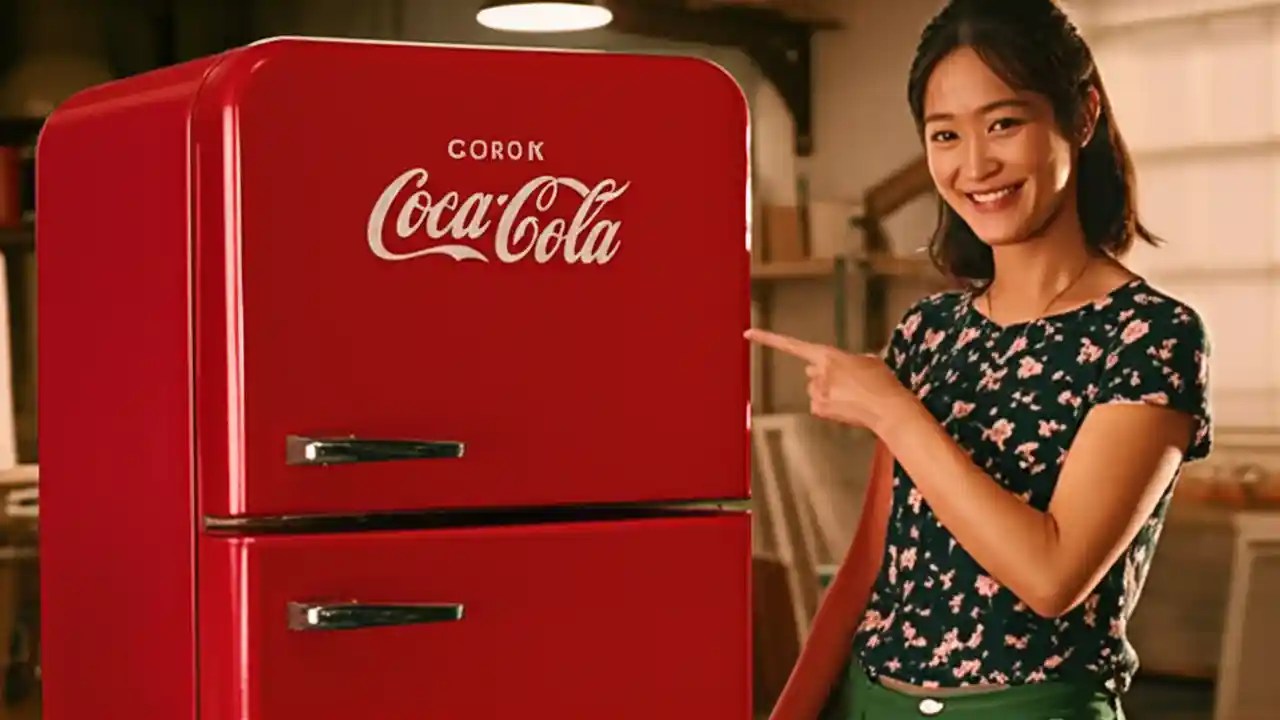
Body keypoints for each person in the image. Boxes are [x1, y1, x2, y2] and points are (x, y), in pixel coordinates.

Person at [745, 1, 1213, 718]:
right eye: (944, 135)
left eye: (1004, 123)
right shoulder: (927, 332)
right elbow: (870, 566)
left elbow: (1053, 575)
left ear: (1081, 115)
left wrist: (893, 411)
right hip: (867, 702)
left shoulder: (1150, 336)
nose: (974, 165)